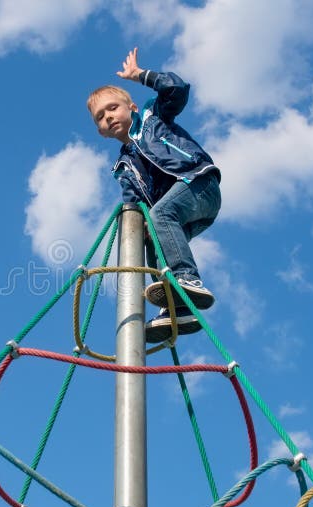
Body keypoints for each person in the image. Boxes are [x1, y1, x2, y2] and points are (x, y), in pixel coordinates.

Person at [86, 48, 221, 343]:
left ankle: (186, 279)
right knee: (150, 239)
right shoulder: (123, 165)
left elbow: (177, 89)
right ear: (100, 132)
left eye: (113, 108)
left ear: (131, 107)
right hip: (181, 211)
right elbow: (132, 202)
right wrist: (137, 226)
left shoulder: (151, 116)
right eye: (100, 117)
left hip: (199, 183)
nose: (108, 117)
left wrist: (140, 75)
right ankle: (176, 309)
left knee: (161, 214)